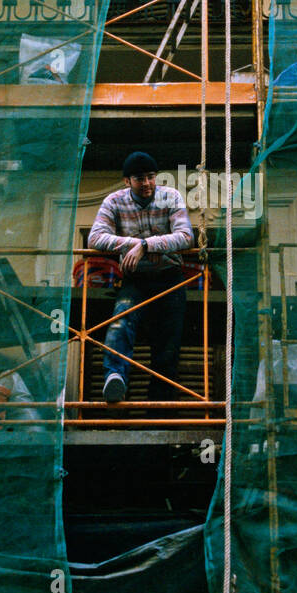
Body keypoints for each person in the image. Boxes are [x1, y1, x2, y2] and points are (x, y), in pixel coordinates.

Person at [87, 152, 193, 404]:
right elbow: (94, 238)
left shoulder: (171, 196)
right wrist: (132, 243)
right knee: (121, 320)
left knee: (168, 346)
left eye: (150, 177)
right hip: (136, 280)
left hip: (170, 278)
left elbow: (186, 236)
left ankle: (159, 409)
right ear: (127, 182)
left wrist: (147, 245)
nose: (146, 183)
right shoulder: (114, 201)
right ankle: (114, 377)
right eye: (139, 179)